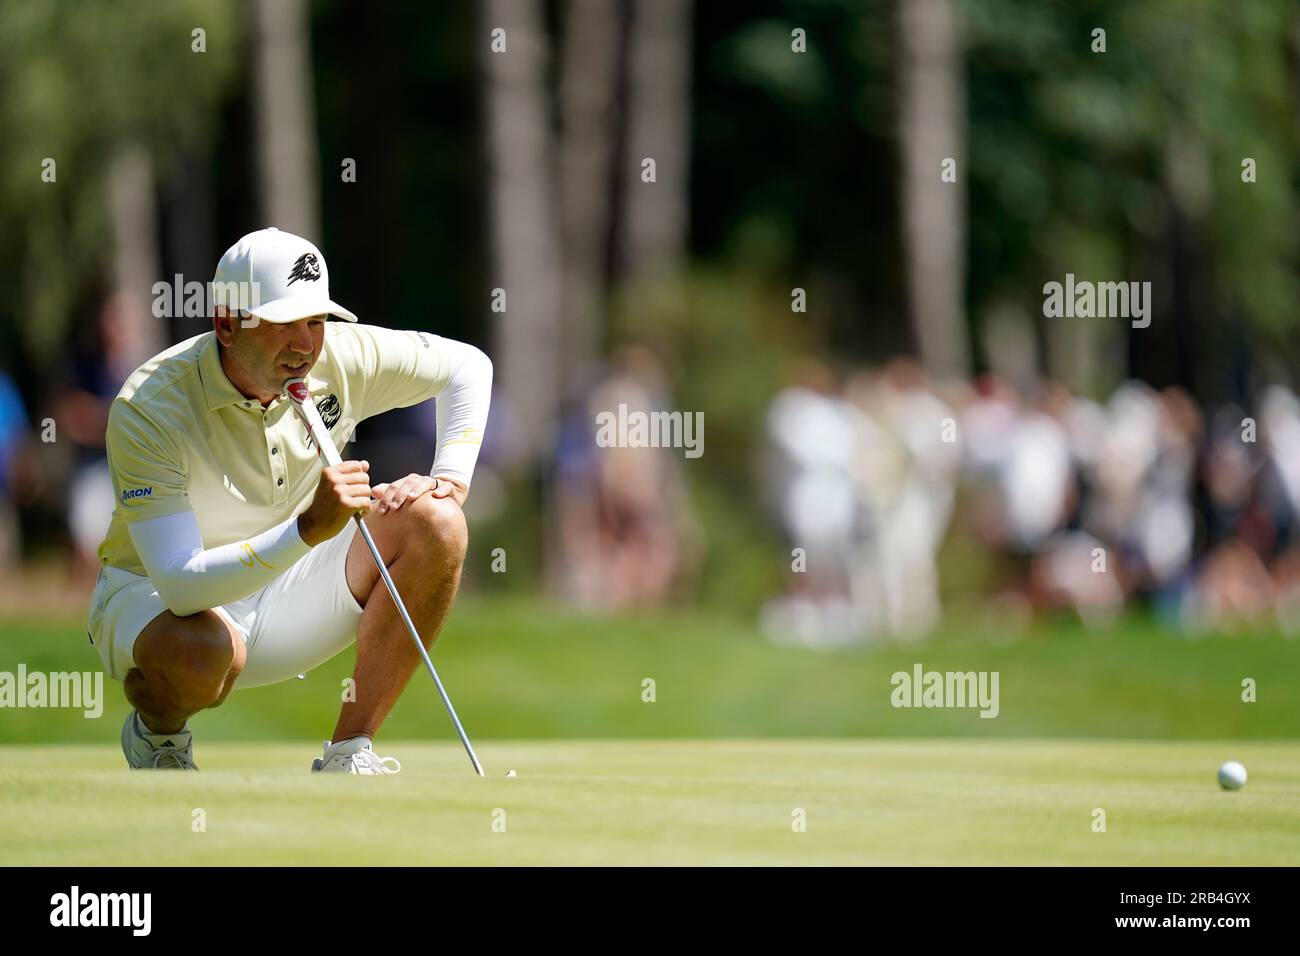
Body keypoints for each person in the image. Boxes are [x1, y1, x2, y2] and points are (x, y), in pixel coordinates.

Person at [86, 227, 492, 772]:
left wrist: (450, 480)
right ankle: (158, 735)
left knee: (438, 523)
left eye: (316, 322)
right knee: (199, 651)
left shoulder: (341, 357)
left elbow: (469, 367)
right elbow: (181, 584)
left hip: (292, 587)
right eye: (282, 324)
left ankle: (349, 752)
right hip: (160, 602)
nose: (305, 345)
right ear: (226, 324)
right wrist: (308, 528)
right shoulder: (150, 406)